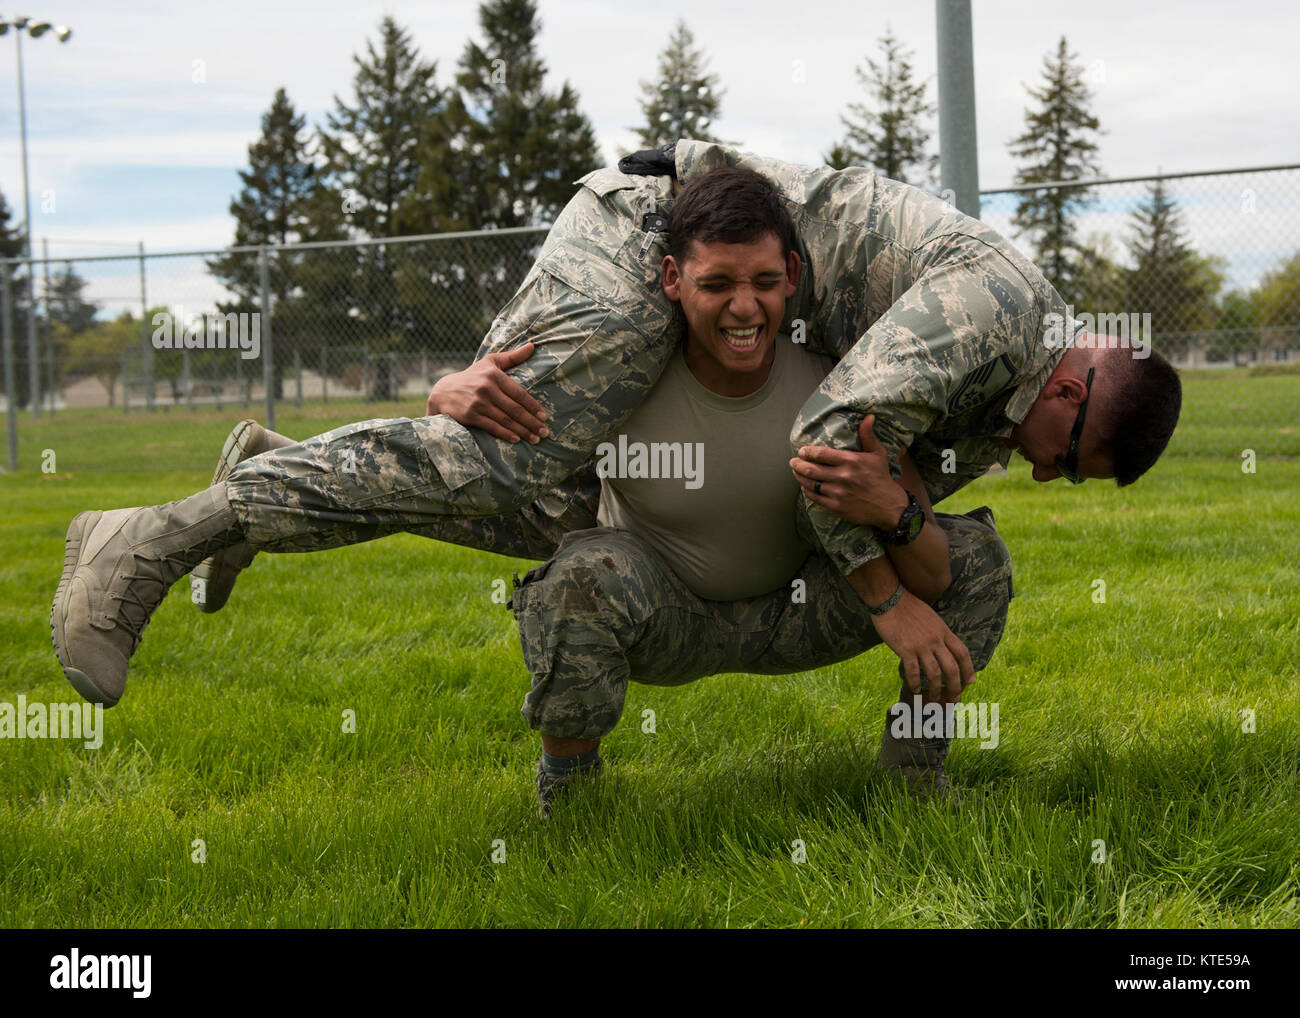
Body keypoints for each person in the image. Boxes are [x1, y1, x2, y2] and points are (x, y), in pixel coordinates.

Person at [51, 142, 1181, 765]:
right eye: (1063, 459)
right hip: (663, 233)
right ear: (1074, 386)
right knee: (508, 462)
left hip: (737, 289)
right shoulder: (997, 309)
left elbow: (881, 487)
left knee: (546, 497)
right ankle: (145, 537)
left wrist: (900, 530)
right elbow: (829, 438)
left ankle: (270, 472)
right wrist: (891, 601)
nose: (1038, 476)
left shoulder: (998, 409)